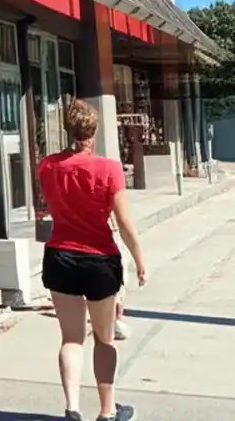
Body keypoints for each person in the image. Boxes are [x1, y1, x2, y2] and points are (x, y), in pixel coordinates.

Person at [39, 100, 146, 421]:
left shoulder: (47, 167)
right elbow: (124, 221)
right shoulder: (109, 168)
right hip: (99, 258)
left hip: (60, 255)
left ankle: (72, 409)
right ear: (94, 131)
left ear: (67, 130)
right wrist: (139, 255)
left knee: (71, 338)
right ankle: (107, 410)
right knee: (104, 338)